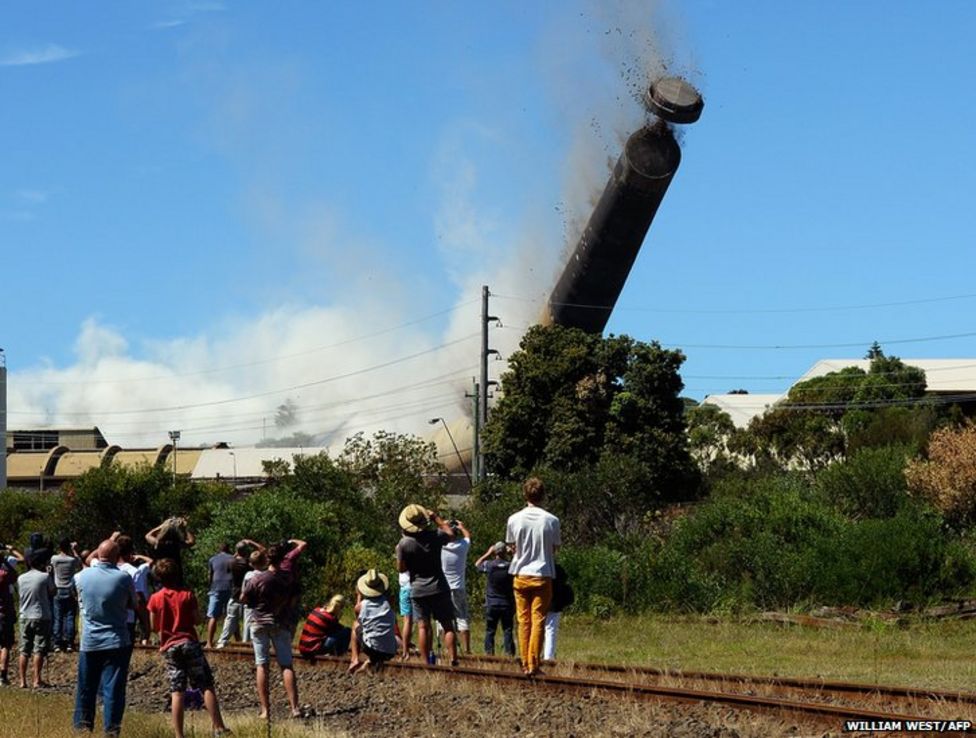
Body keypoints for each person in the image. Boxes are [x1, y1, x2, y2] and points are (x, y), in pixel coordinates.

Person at [147, 558, 229, 738]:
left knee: (177, 691)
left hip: (169, 646)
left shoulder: (155, 598)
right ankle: (219, 728)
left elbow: (153, 626)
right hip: (189, 642)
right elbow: (197, 619)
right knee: (205, 685)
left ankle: (179, 735)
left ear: (159, 578)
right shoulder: (187, 595)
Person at [73, 538, 137, 735]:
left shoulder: (81, 577)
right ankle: (111, 729)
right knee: (113, 689)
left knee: (86, 687)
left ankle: (83, 727)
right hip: (117, 639)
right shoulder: (124, 578)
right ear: (117, 557)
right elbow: (133, 604)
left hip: (90, 640)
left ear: (97, 554)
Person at [241, 541, 305, 719]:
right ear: (282, 558)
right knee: (286, 665)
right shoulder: (287, 578)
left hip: (259, 623)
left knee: (262, 665)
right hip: (280, 623)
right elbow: (294, 599)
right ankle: (294, 708)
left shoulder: (257, 579)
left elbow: (244, 598)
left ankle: (265, 710)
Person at [505, 476, 560, 677]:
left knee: (523, 620)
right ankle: (533, 664)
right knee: (538, 620)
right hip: (542, 574)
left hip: (520, 573)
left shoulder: (513, 519)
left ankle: (525, 661)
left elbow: (512, 546)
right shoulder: (552, 520)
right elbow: (555, 548)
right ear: (543, 495)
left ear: (524, 494)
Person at [395, 504, 458, 667]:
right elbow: (451, 534)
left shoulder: (404, 544)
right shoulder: (435, 536)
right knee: (447, 625)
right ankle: (453, 658)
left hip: (418, 589)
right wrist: (436, 517)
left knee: (423, 626)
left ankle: (426, 663)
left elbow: (401, 569)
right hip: (439, 586)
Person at [17, 552, 55, 688]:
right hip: (41, 615)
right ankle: (36, 680)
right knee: (39, 649)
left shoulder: (21, 578)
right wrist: (50, 574)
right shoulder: (45, 577)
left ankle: (22, 681)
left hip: (24, 615)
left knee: (24, 650)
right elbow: (53, 592)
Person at [347, 570, 397, 673]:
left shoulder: (361, 606)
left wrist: (359, 597)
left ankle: (354, 659)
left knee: (355, 625)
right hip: (391, 650)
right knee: (379, 634)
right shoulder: (389, 603)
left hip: (371, 648)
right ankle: (370, 664)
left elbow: (358, 619)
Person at [217, 539, 263, 649]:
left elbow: (233, 558)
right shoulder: (248, 563)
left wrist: (237, 552)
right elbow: (262, 550)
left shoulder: (231, 562)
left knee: (230, 619)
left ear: (237, 551)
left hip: (235, 593)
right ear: (246, 551)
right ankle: (246, 643)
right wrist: (251, 542)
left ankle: (222, 642)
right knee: (247, 620)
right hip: (248, 595)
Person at [475, 541, 516, 657]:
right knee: (507, 630)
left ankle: (489, 654)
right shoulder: (510, 566)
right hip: (507, 604)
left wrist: (488, 553)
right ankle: (509, 654)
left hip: (492, 603)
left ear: (495, 552)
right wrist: (513, 553)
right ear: (505, 552)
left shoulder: (489, 565)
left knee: (490, 630)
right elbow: (519, 564)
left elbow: (477, 564)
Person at [440, 520, 472, 654]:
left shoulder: (440, 547)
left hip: (443, 588)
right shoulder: (462, 547)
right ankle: (467, 649)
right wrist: (462, 526)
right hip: (459, 586)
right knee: (462, 618)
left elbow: (437, 533)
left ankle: (448, 649)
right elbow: (468, 537)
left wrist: (443, 524)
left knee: (443, 620)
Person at [117, 535, 153, 646]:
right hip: (127, 617)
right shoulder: (133, 571)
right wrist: (147, 624)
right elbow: (138, 598)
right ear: (131, 551)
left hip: (108, 616)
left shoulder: (107, 567)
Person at [50, 539, 82, 652]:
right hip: (70, 590)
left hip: (58, 589)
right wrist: (74, 550)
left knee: (58, 617)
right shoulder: (72, 560)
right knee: (70, 617)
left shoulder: (54, 558)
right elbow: (80, 562)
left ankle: (57, 643)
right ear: (68, 547)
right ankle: (69, 643)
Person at [0, 545, 24, 686]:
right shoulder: (6, 572)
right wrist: (8, 553)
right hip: (5, 612)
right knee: (5, 645)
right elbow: (19, 564)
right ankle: (3, 675)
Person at [145, 518, 195, 586]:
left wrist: (162, 526)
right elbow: (191, 542)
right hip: (176, 576)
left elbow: (147, 536)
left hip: (160, 574)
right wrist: (185, 528)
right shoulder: (176, 544)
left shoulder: (158, 543)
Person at [205, 543, 235, 649]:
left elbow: (210, 575)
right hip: (230, 587)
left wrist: (209, 586)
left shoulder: (212, 559)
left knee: (213, 616)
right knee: (232, 615)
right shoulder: (233, 559)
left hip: (216, 587)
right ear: (229, 549)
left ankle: (209, 642)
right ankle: (238, 640)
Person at [543, 563, 574, 662]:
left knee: (537, 629)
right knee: (551, 630)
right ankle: (548, 656)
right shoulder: (558, 569)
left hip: (540, 603)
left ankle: (534, 653)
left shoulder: (540, 569)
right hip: (555, 604)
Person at [396, 570, 413, 660]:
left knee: (407, 621)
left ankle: (405, 652)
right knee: (423, 621)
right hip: (417, 586)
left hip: (405, 587)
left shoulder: (403, 555)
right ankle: (427, 653)